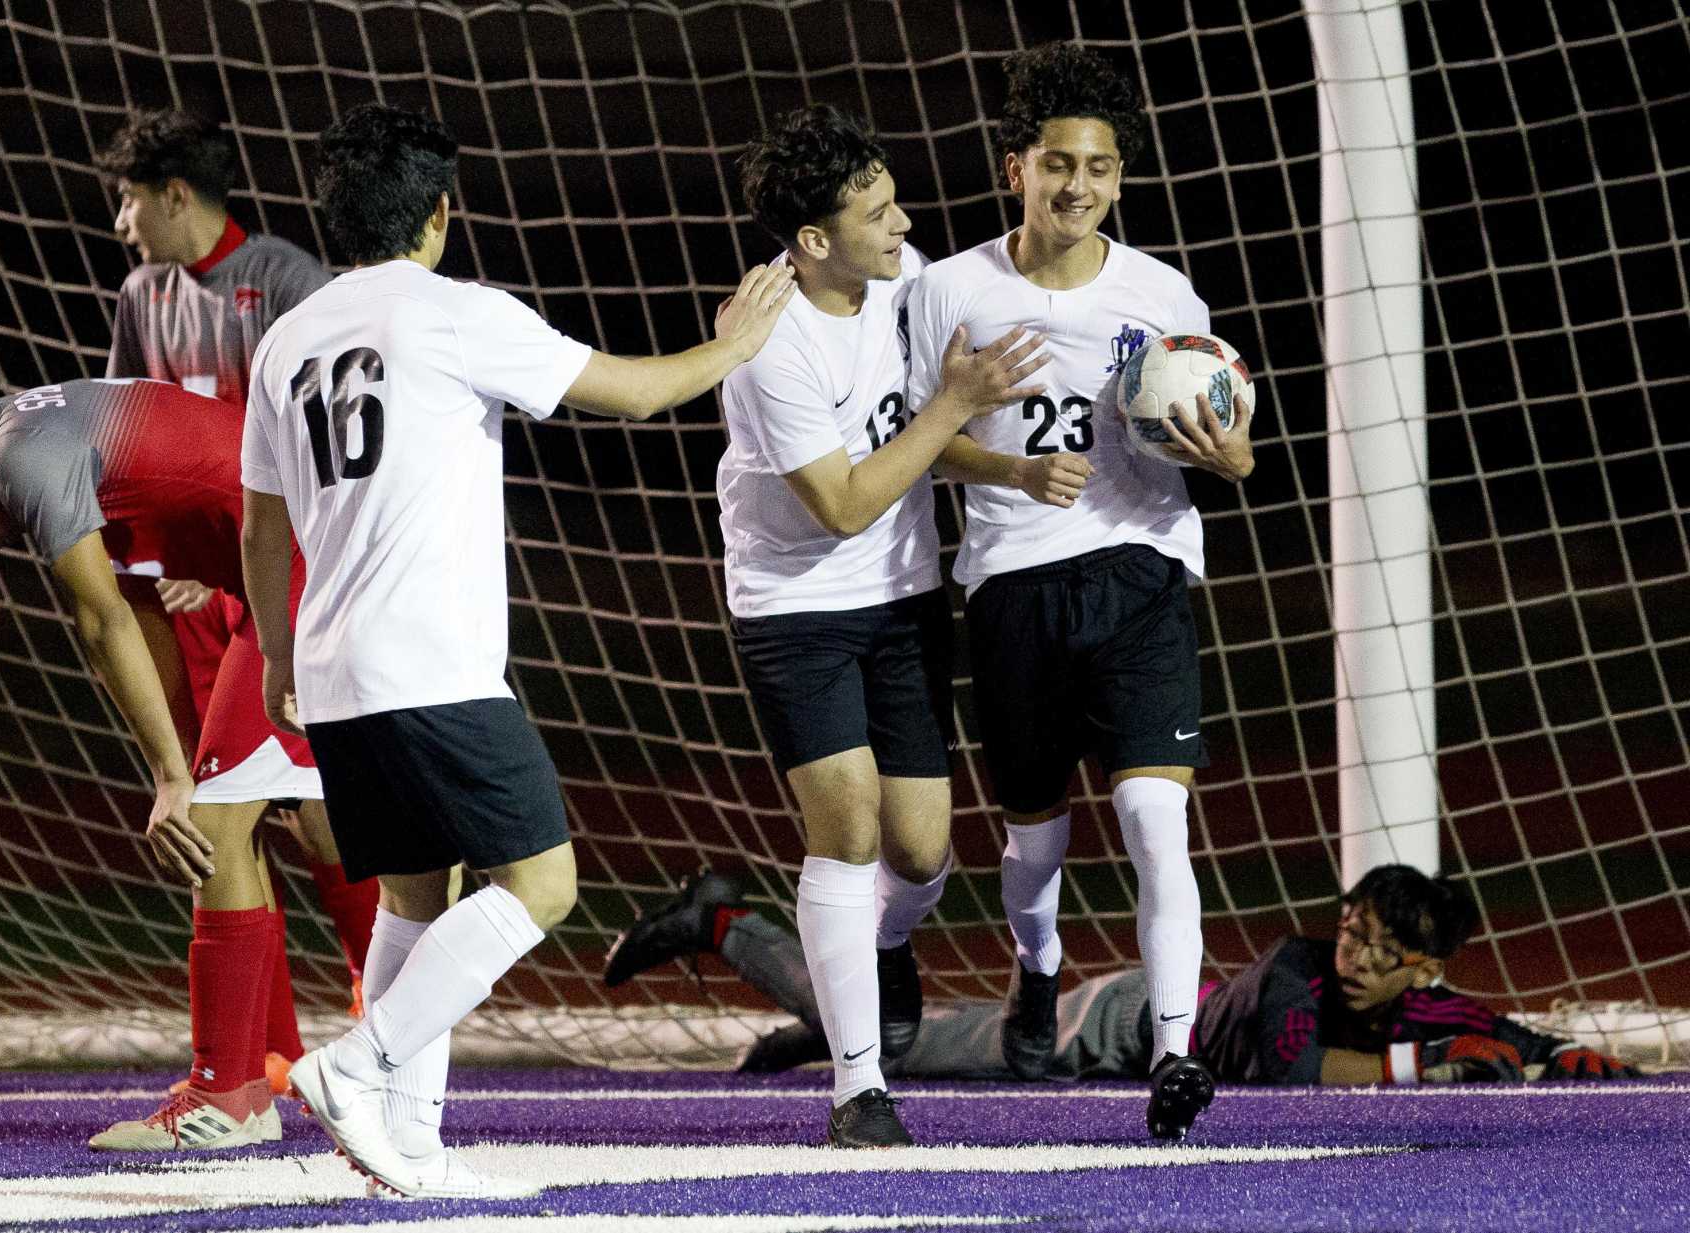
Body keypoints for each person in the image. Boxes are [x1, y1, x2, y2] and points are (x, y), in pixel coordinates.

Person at [240, 103, 794, 1198]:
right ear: (439, 217)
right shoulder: (454, 313)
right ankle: (363, 1063)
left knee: (414, 898)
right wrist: (735, 344)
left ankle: (405, 1137)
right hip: (431, 665)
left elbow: (261, 527)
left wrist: (273, 660)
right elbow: (632, 394)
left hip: (337, 663)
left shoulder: (284, 339)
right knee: (541, 885)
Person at [904, 42, 1259, 1141]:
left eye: (1097, 168)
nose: (1076, 187)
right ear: (1013, 167)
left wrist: (1226, 458)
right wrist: (1007, 466)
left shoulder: (1160, 296)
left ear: (1118, 177)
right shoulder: (947, 291)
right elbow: (913, 442)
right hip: (1012, 582)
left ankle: (1170, 1053)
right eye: (1055, 164)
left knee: (1157, 819)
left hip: (1142, 567)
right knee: (1033, 845)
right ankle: (1037, 961)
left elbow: (1229, 444)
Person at [0, 379, 309, 1152]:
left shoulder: (22, 460)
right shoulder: (37, 435)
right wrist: (181, 759)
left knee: (232, 824)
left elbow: (101, 618)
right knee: (234, 820)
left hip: (304, 566)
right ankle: (248, 1081)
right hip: (290, 565)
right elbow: (138, 602)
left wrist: (172, 776)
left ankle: (233, 1091)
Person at [702, 104, 1044, 1147]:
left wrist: (1014, 466)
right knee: (845, 834)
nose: (903, 224)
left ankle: (840, 946)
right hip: (795, 607)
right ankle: (858, 1088)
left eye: (895, 202)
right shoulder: (769, 347)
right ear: (810, 243)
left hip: (898, 598)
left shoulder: (906, 286)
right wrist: (951, 407)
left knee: (924, 853)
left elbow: (926, 443)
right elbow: (844, 503)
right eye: (876, 212)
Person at [96, 107, 379, 1082]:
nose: (121, 223)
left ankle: (381, 1009)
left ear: (176, 195)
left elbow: (325, 440)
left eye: (130, 201)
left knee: (305, 813)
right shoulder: (142, 292)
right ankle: (267, 1057)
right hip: (187, 595)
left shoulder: (289, 280)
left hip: (273, 579)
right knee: (232, 815)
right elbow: (130, 433)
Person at [610, 867, 1642, 1088]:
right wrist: (1433, 1072)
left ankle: (816, 1034)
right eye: (1352, 933)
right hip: (1094, 1030)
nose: (1356, 956)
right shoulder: (1292, 977)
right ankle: (727, 919)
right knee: (886, 1035)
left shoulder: (1420, 999)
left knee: (885, 1037)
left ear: (1420, 964)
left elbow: (1494, 1026)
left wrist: (1573, 1059)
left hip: (1119, 1024)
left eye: (1382, 950)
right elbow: (1288, 1079)